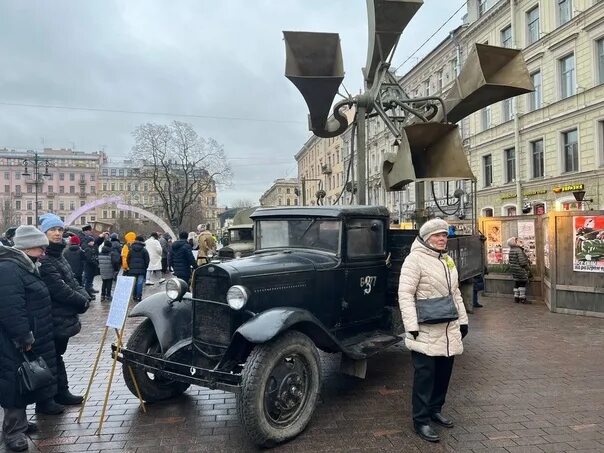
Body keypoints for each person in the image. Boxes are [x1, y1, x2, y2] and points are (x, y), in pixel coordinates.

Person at [398, 218, 468, 443]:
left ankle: (435, 409)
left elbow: (455, 293)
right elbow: (406, 294)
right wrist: (411, 326)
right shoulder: (414, 260)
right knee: (425, 376)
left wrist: (463, 320)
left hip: (448, 327)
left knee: (443, 373)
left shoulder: (447, 260)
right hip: (426, 328)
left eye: (444, 235)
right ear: (427, 238)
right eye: (437, 235)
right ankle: (421, 420)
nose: (441, 239)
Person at [0, 227, 58, 452]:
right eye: (40, 246)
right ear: (25, 247)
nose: (44, 251)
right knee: (13, 384)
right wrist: (23, 335)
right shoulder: (9, 268)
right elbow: (10, 307)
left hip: (26, 335)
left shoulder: (24, 265)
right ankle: (13, 432)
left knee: (23, 380)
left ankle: (20, 424)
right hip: (12, 339)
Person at [37, 213, 90, 410]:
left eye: (59, 229)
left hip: (61, 317)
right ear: (43, 233)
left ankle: (60, 392)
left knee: (56, 355)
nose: (57, 233)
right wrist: (82, 301)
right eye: (52, 230)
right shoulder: (45, 259)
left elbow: (73, 280)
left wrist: (84, 295)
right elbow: (59, 289)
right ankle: (46, 401)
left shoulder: (59, 255)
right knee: (48, 358)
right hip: (50, 317)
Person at [507, 237, 531, 304]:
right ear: (515, 242)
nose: (519, 242)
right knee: (522, 283)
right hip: (520, 270)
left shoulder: (511, 250)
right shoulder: (518, 250)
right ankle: (522, 299)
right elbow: (522, 262)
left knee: (517, 283)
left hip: (514, 270)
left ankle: (516, 298)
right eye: (517, 241)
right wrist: (527, 268)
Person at [127, 235, 150, 302]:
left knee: (134, 283)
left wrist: (130, 266)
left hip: (132, 269)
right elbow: (147, 260)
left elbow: (128, 259)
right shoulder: (144, 250)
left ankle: (134, 296)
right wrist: (145, 267)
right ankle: (138, 297)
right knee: (139, 283)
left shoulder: (131, 249)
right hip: (142, 270)